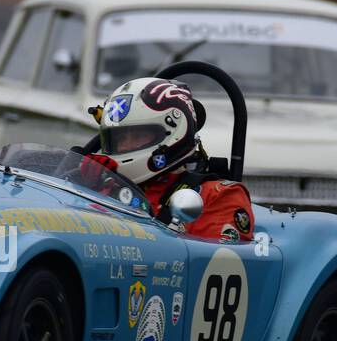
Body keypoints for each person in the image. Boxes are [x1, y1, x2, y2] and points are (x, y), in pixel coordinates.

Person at [80, 76, 254, 243]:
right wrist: (83, 191)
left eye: (138, 135)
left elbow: (211, 260)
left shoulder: (217, 196)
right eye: (118, 139)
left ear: (173, 132)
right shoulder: (102, 187)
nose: (124, 146)